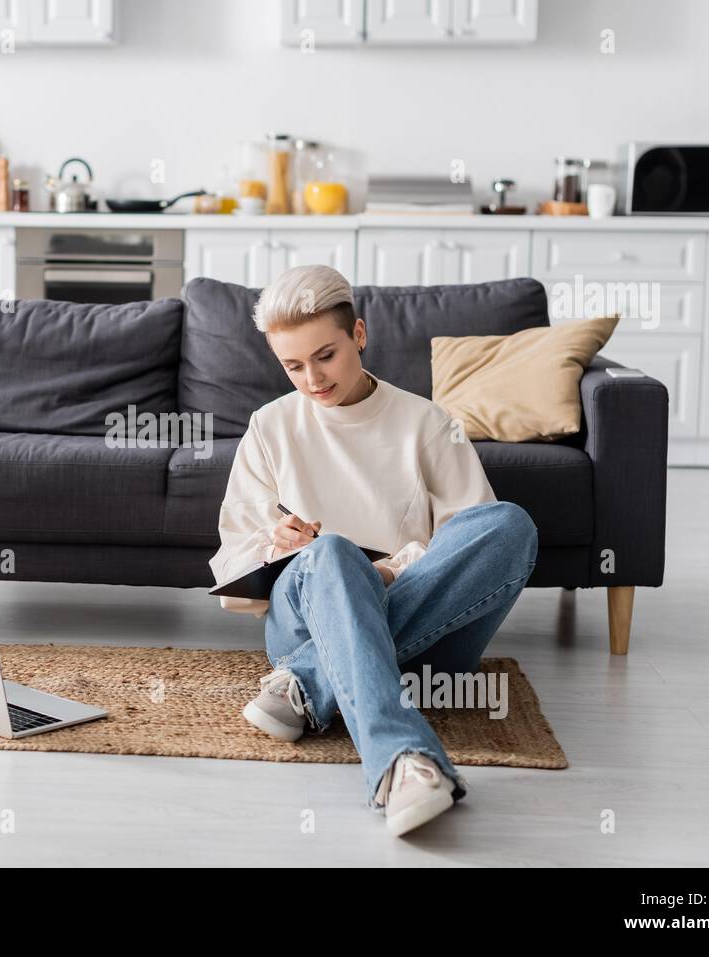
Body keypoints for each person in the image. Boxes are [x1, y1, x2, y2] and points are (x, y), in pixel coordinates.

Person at [209, 264, 538, 837]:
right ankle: (403, 763)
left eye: (326, 355)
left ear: (358, 335)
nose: (312, 378)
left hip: (432, 637)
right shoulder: (269, 427)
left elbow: (473, 542)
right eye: (293, 365)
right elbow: (232, 571)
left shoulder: (428, 424)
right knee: (331, 553)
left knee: (510, 524)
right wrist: (274, 548)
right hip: (306, 621)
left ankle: (306, 686)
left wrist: (386, 572)